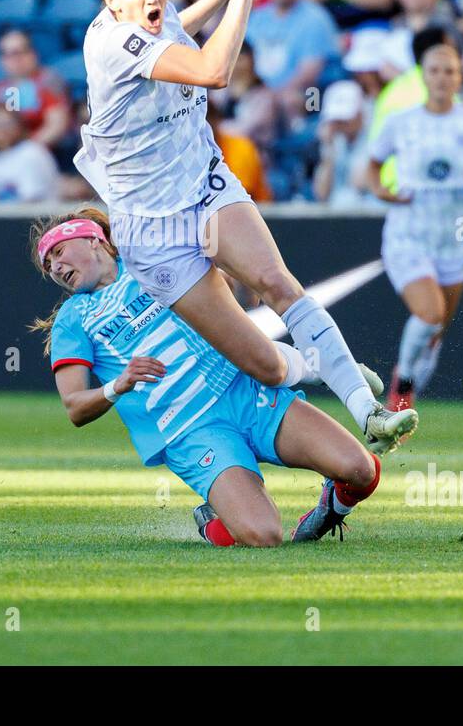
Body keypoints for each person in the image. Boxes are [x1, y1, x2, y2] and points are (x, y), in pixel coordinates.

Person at [76, 0, 416, 449]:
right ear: (110, 1)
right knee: (263, 363)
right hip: (152, 230)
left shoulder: (150, 24)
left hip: (204, 183)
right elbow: (214, 70)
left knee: (277, 284)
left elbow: (175, 33)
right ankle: (328, 367)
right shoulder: (112, 42)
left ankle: (366, 408)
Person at [31, 208, 404, 546]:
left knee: (362, 471)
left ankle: (330, 506)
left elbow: (217, 278)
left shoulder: (150, 260)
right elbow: (74, 407)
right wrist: (118, 384)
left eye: (58, 252)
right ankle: (214, 516)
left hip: (244, 392)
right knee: (265, 536)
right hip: (189, 430)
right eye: (47, 266)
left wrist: (227, 279)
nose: (54, 268)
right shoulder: (74, 318)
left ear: (93, 238)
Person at [366, 42, 463, 411]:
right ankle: (403, 384)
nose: (442, 78)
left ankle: (405, 406)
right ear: (424, 76)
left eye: (450, 71)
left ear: (460, 77)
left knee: (435, 332)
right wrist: (383, 191)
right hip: (408, 233)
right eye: (435, 70)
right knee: (429, 313)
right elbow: (372, 166)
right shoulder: (402, 121)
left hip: (455, 236)